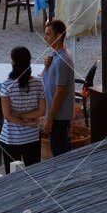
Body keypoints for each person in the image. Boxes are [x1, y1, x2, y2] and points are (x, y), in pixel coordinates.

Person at [0, 45, 46, 172]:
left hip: (10, 138)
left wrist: (20, 117)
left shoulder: (7, 85)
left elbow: (7, 115)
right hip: (32, 136)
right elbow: (42, 111)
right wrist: (28, 120)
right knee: (34, 174)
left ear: (13, 62)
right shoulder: (38, 83)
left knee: (12, 177)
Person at [40, 19, 74, 157]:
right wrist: (47, 67)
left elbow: (60, 91)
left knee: (60, 153)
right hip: (56, 114)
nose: (45, 37)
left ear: (59, 36)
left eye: (48, 34)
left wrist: (49, 118)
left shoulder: (62, 60)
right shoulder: (56, 55)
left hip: (59, 116)